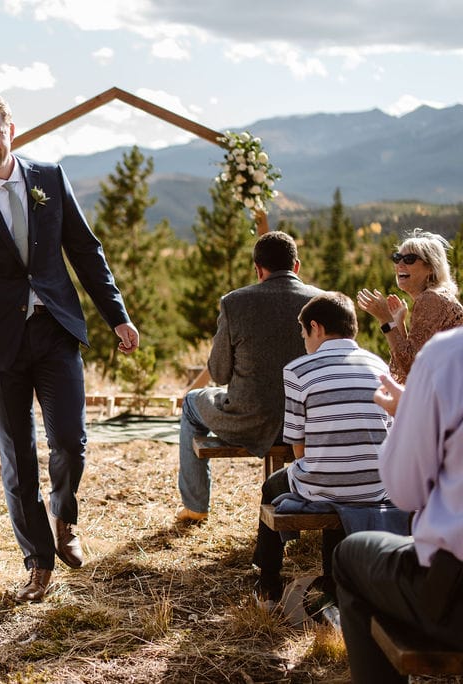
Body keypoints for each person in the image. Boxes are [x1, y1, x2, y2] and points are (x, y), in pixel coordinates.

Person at [0, 91, 139, 602]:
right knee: (18, 456)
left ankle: (65, 517)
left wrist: (118, 316)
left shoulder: (51, 178)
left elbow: (86, 251)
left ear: (11, 129)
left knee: (69, 440)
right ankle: (38, 561)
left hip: (55, 329)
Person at [333, 326, 463, 683]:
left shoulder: (448, 356)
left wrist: (412, 416)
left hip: (455, 600)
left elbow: (405, 494)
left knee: (350, 555)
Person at [251, 292, 391, 602]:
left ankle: (268, 582)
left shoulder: (299, 370)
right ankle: (333, 588)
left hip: (327, 483)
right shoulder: (379, 365)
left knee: (273, 486)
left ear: (316, 327)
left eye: (304, 334)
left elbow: (298, 447)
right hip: (379, 486)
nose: (304, 342)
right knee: (333, 481)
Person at [175, 231, 322, 524]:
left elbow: (218, 373)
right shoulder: (320, 301)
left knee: (191, 403)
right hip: (310, 422)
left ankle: (196, 506)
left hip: (249, 419)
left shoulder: (235, 303)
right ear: (296, 266)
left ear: (258, 269)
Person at [357, 228, 463, 383]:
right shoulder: (435, 296)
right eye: (397, 258)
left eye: (409, 259)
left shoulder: (431, 299)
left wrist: (385, 319)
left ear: (430, 268)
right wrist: (398, 323)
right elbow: (402, 373)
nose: (400, 264)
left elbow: (412, 367)